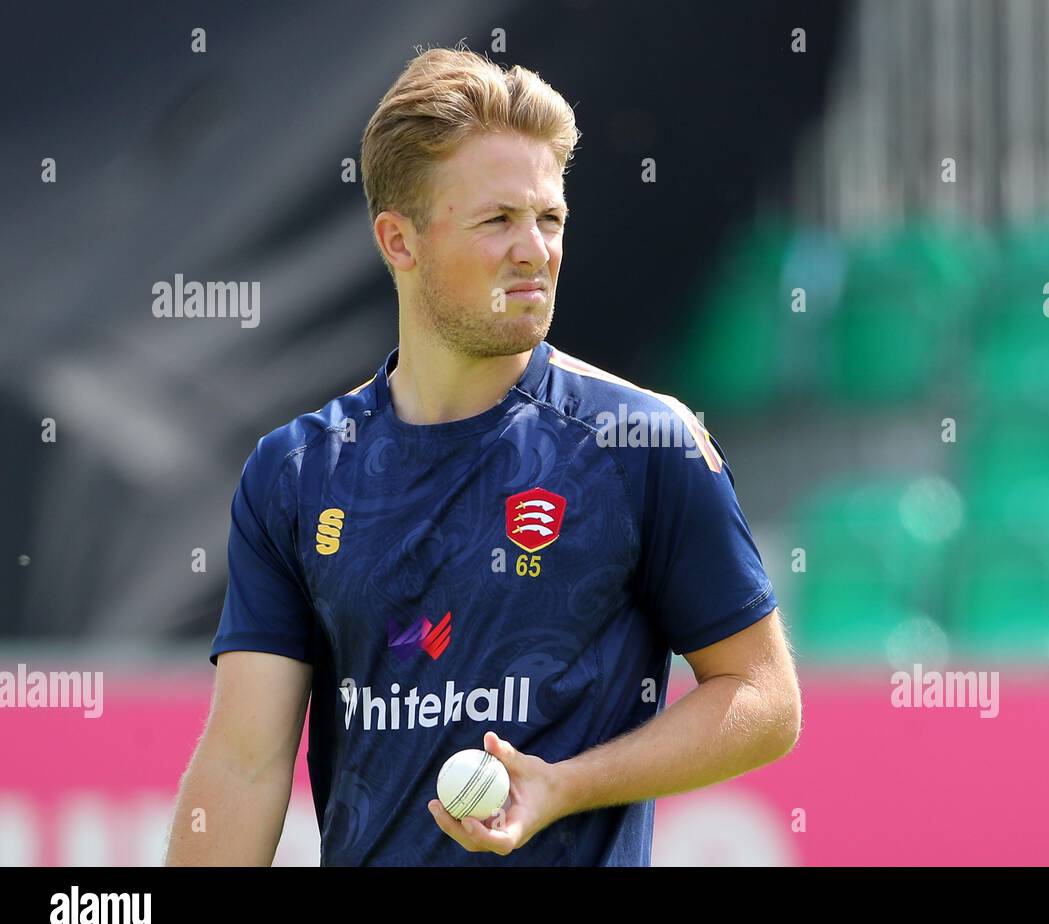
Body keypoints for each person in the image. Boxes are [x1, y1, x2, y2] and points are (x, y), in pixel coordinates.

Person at [164, 44, 800, 866]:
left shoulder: (643, 445)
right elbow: (243, 762)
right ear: (400, 241)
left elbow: (763, 696)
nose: (534, 250)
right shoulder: (295, 473)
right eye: (498, 220)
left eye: (550, 219)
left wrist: (568, 784)